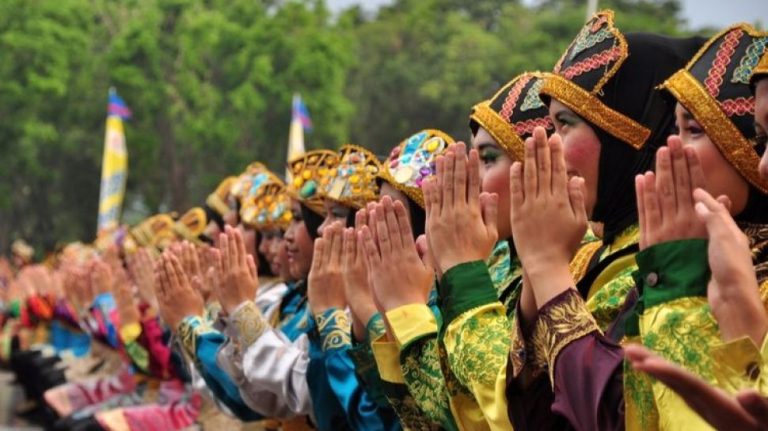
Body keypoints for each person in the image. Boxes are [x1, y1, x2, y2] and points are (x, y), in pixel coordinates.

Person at [502, 10, 705, 430]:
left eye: (565, 125)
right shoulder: (589, 254)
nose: (548, 151)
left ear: (632, 134)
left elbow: (615, 416)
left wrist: (544, 267)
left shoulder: (696, 256)